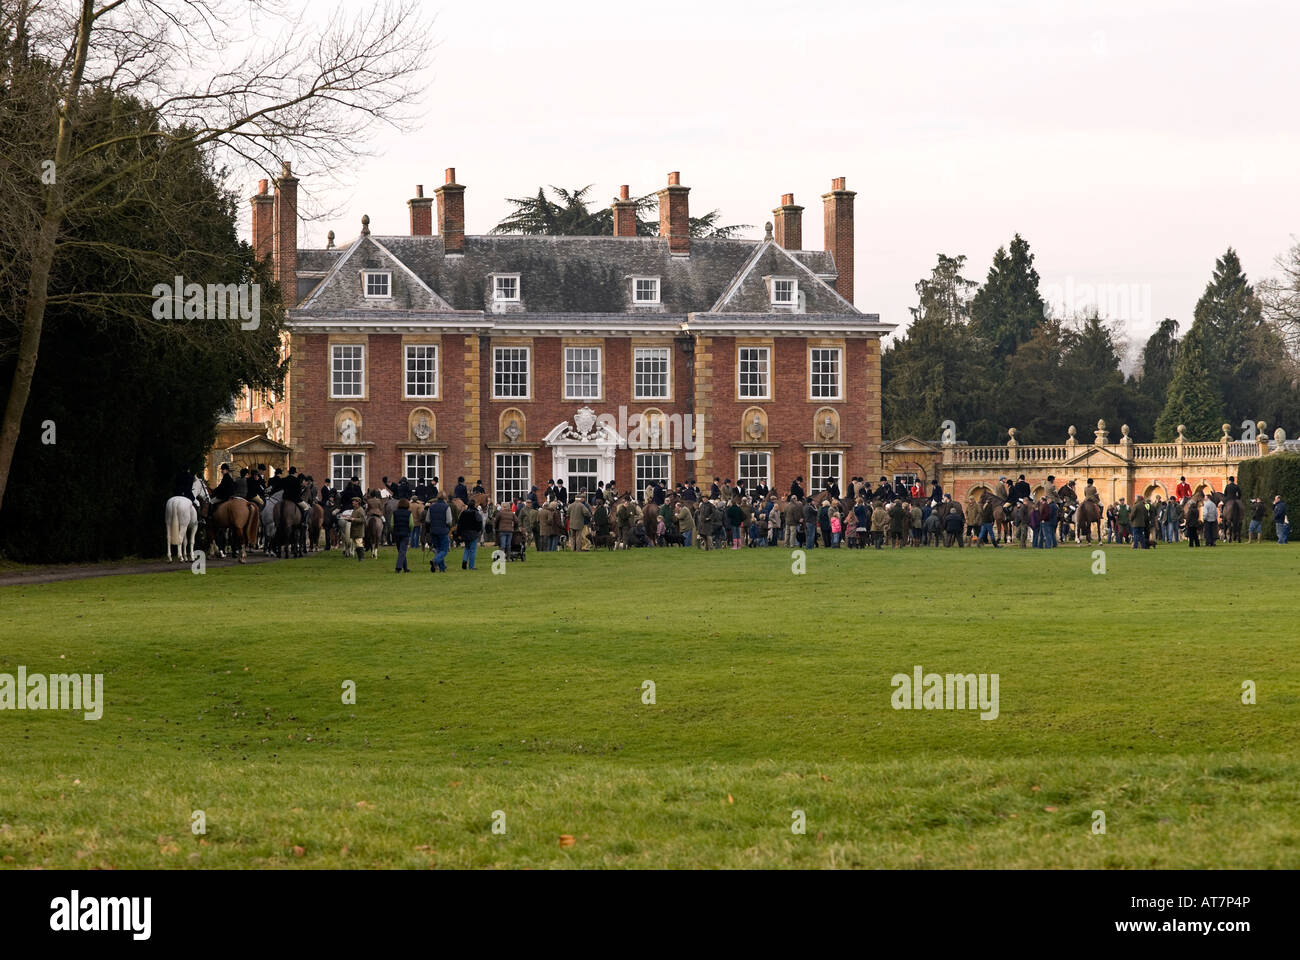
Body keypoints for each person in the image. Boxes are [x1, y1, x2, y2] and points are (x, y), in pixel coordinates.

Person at [426, 495, 453, 572]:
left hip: (433, 531)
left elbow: (427, 520)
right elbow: (449, 521)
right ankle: (435, 560)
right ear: (444, 499)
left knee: (438, 549)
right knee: (444, 550)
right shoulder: (446, 507)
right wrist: (448, 527)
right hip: (443, 531)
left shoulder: (431, 507)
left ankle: (442, 568)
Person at [456, 498, 482, 569]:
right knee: (473, 550)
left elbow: (459, 524)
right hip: (473, 533)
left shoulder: (463, 513)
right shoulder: (476, 513)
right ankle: (471, 566)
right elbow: (480, 524)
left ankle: (464, 561)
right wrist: (478, 531)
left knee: (467, 548)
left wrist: (459, 534)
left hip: (464, 533)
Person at [391, 499, 412, 572]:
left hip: (397, 533)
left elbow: (392, 524)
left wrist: (393, 531)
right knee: (402, 551)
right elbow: (411, 524)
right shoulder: (409, 513)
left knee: (400, 550)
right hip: (405, 534)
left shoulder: (395, 513)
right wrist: (410, 530)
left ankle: (405, 568)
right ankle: (398, 567)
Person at [348, 497, 367, 562]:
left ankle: (362, 558)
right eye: (352, 501)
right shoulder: (354, 510)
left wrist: (353, 519)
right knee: (356, 544)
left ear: (357, 502)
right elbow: (353, 518)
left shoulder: (360, 510)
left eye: (354, 501)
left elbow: (363, 520)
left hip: (359, 530)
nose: (352, 502)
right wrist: (349, 519)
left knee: (359, 544)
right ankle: (360, 558)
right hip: (354, 529)